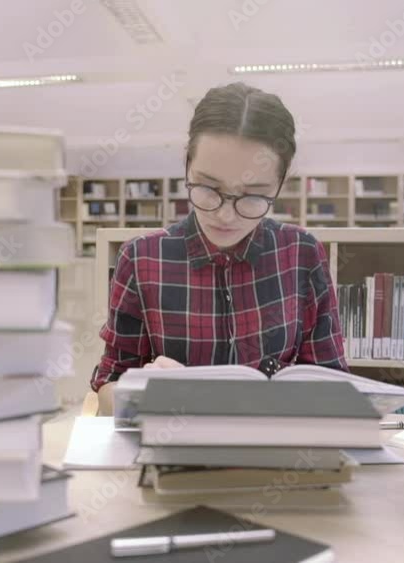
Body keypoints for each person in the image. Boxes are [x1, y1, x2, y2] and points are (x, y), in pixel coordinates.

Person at [90, 82, 348, 415]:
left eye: (253, 195)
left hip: (276, 460)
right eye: (209, 188)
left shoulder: (303, 254)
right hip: (172, 455)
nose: (225, 215)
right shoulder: (140, 259)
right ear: (187, 165)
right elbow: (109, 389)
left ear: (280, 184)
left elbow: (334, 387)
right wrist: (141, 394)